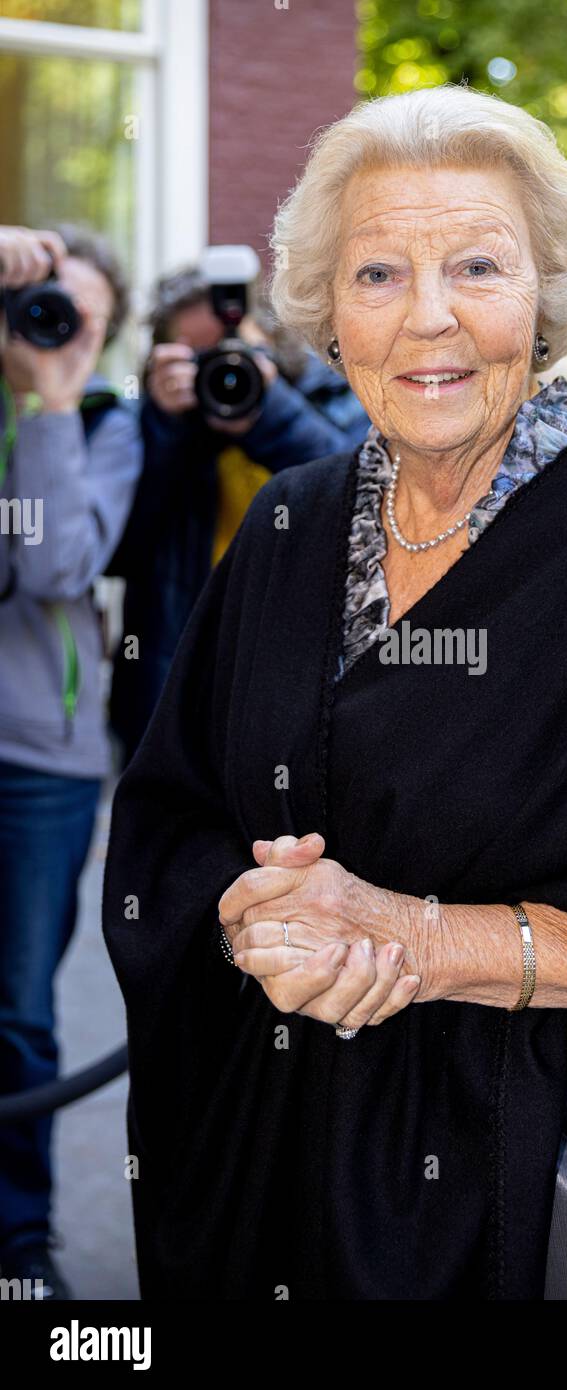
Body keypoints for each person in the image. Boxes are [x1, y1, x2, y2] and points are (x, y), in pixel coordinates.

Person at [102, 84, 567, 1302]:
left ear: (545, 298)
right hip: (280, 1161)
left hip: (525, 1194)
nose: (427, 317)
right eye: (377, 273)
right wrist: (251, 920)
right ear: (327, 313)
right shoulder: (289, 523)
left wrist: (415, 938)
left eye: (476, 266)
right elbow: (168, 820)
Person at [0, 223, 142, 1298]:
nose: (56, 329)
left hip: (41, 763)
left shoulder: (103, 425)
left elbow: (57, 564)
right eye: (44, 306)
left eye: (81, 320)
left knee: (19, 1012)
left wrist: (50, 402)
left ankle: (18, 1244)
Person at [107, 266, 369, 769]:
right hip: (177, 704)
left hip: (298, 702)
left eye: (236, 351)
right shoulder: (150, 426)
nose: (223, 370)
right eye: (199, 358)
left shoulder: (334, 399)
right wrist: (165, 429)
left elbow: (360, 502)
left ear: (272, 343)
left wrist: (270, 413)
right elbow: (121, 551)